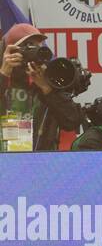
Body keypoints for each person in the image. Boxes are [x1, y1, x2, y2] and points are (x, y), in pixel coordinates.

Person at [0, 23, 83, 153]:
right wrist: (4, 74)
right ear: (11, 50)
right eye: (28, 46)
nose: (34, 51)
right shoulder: (3, 76)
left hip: (42, 163)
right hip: (5, 163)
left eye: (38, 46)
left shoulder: (49, 80)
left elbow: (71, 122)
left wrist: (47, 89)